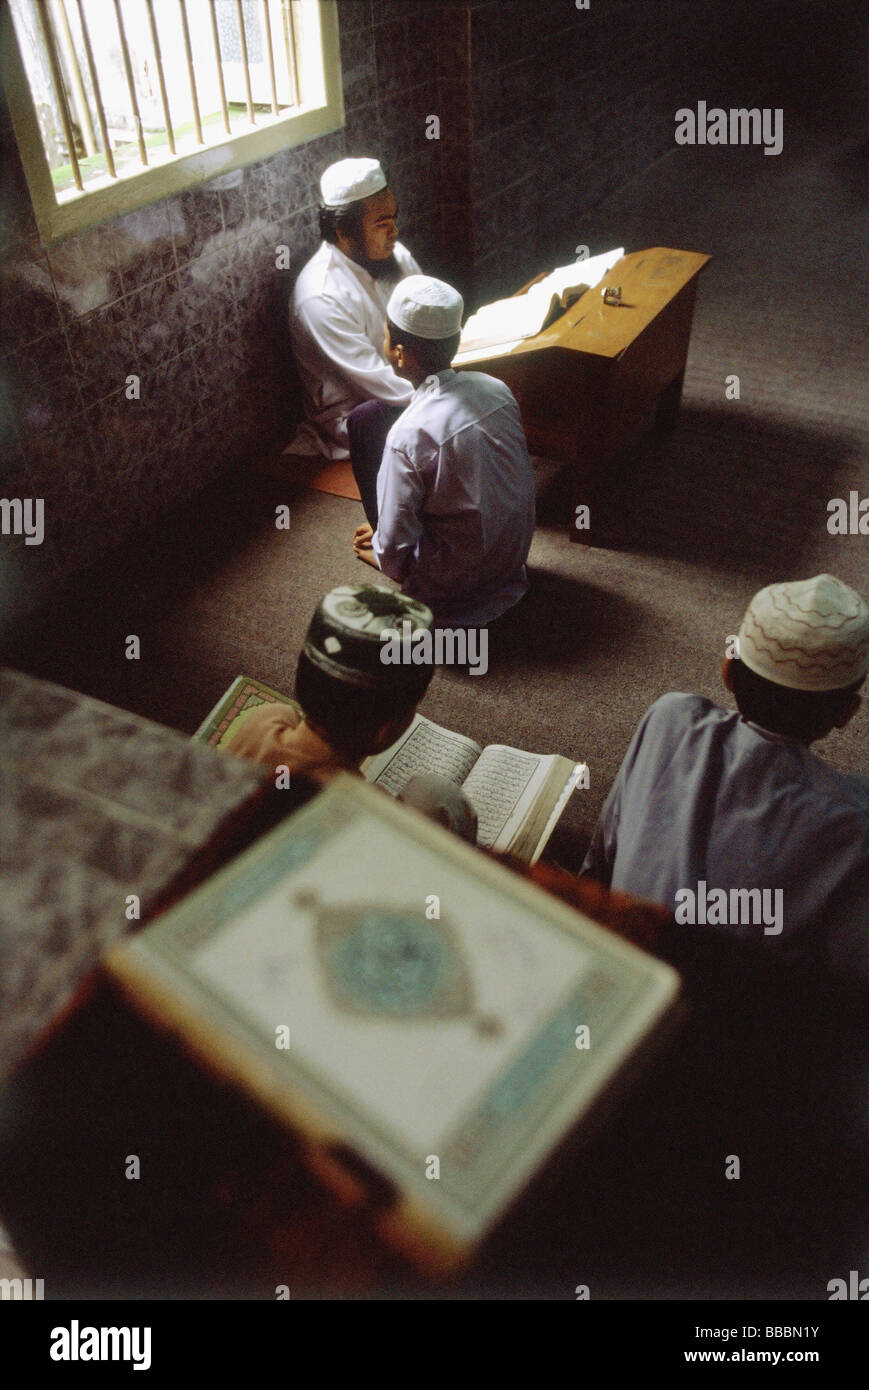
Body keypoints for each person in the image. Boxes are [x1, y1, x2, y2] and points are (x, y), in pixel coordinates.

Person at [580, 574, 869, 973]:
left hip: (614, 960)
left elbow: (601, 860)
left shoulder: (670, 718)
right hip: (731, 1021)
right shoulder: (854, 823)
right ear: (846, 713)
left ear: (728, 672)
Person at [352, 275, 536, 628]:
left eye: (387, 335)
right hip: (511, 564)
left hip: (452, 590)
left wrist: (383, 554)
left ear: (400, 354)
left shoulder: (406, 436)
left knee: (365, 421)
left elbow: (392, 551)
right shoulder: (497, 389)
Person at [226, 585, 435, 780]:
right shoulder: (363, 802)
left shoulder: (263, 722)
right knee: (432, 792)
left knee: (279, 711)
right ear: (384, 731)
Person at [287, 158, 421, 460]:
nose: (395, 232)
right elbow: (381, 385)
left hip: (415, 385)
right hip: (365, 415)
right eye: (381, 224)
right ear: (342, 232)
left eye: (394, 219)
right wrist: (452, 394)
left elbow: (432, 318)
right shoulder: (320, 295)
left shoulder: (396, 255)